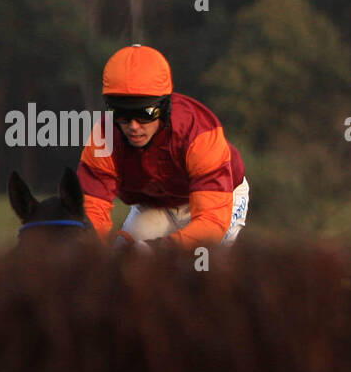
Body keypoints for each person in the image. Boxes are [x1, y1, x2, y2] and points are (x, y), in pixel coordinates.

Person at [76, 44, 249, 248]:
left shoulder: (199, 132)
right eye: (122, 113)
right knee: (122, 255)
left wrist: (159, 249)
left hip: (220, 200)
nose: (133, 126)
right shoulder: (104, 138)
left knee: (200, 266)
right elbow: (92, 211)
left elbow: (211, 221)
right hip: (158, 204)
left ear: (165, 107)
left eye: (145, 114)